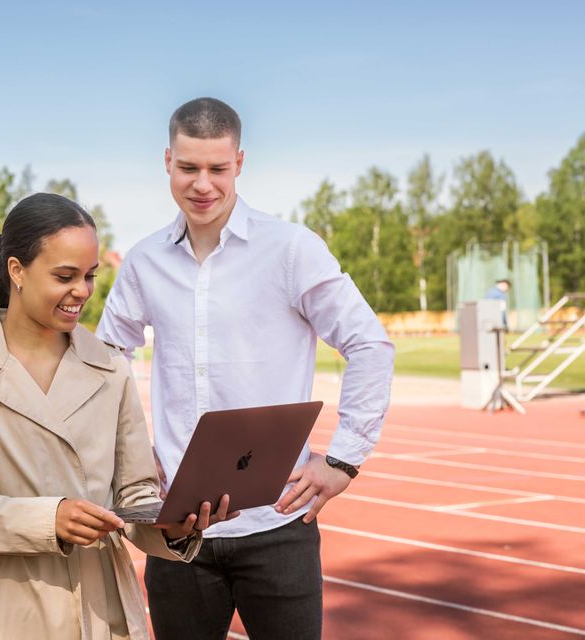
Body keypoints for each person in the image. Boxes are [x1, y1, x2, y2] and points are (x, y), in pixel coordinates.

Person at [97, 98, 395, 639]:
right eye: (188, 167)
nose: (202, 184)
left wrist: (345, 459)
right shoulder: (143, 260)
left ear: (239, 162)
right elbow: (106, 359)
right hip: (177, 529)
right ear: (167, 161)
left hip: (277, 524)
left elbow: (369, 343)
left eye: (217, 168)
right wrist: (132, 452)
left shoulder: (292, 249)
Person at [0, 193, 236, 640]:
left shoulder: (111, 367)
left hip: (103, 608)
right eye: (65, 276)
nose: (82, 291)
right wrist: (49, 520)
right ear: (16, 271)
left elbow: (134, 494)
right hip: (2, 613)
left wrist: (173, 526)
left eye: (89, 276)